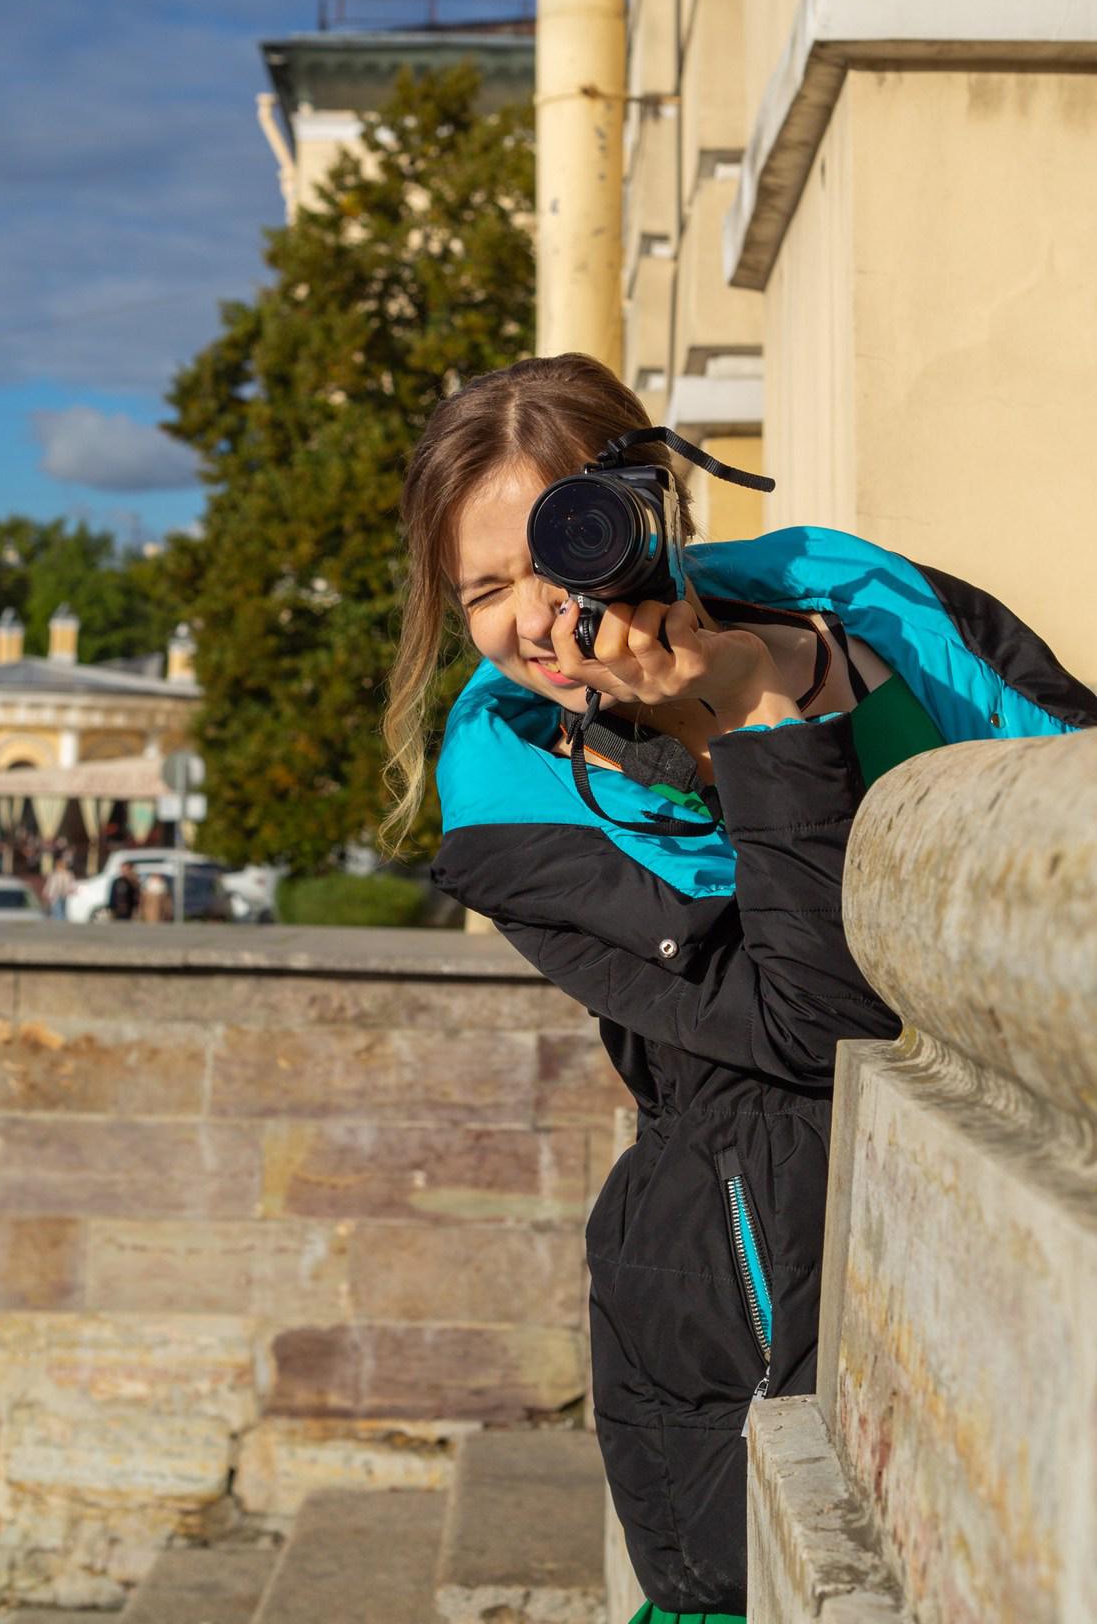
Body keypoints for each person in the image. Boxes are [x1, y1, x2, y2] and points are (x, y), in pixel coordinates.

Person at [382, 353, 1096, 1622]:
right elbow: (805, 1025)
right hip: (742, 1330)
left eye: (564, 549)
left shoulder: (859, 598)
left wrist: (810, 669)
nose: (539, 620)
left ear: (646, 507)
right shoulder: (506, 791)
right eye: (483, 592)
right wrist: (763, 717)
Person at [44, 854, 75, 921]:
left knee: (59, 910)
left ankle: (60, 923)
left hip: (59, 894)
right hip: (60, 894)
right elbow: (50, 884)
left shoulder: (61, 874)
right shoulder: (65, 874)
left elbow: (51, 884)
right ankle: (61, 922)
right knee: (60, 910)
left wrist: (47, 893)